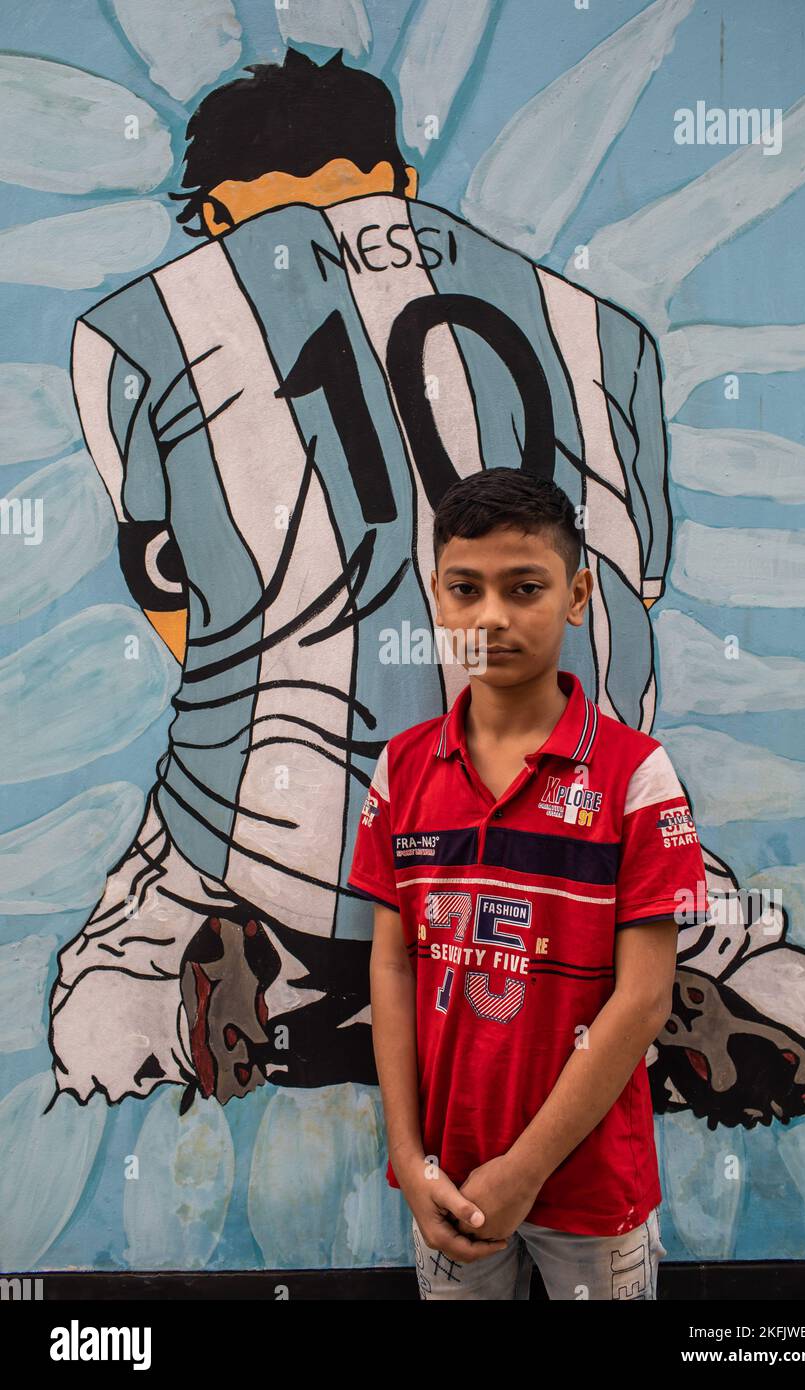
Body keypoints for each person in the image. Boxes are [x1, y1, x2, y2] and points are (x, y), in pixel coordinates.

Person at [49, 45, 676, 1111]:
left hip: (284, 827)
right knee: (594, 872)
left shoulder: (132, 332)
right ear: (396, 183)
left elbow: (175, 604)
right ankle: (651, 987)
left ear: (211, 217)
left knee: (116, 960)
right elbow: (636, 586)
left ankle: (213, 961)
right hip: (563, 837)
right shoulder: (604, 332)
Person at [347, 468, 711, 1299]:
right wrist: (410, 1159)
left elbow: (645, 1000)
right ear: (436, 599)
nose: (493, 617)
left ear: (578, 595)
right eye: (466, 590)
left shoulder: (634, 776)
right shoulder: (402, 772)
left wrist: (524, 1170)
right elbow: (393, 966)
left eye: (526, 588)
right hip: (448, 1182)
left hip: (591, 1194)